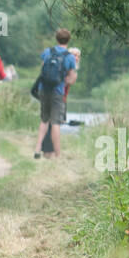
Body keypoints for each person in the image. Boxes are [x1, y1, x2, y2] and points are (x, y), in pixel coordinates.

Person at [33, 29, 78, 160]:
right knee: (56, 123)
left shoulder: (47, 52)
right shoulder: (69, 57)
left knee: (44, 120)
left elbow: (42, 68)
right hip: (57, 91)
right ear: (68, 40)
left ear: (56, 39)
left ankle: (37, 149)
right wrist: (64, 82)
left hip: (43, 89)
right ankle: (58, 155)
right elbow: (70, 78)